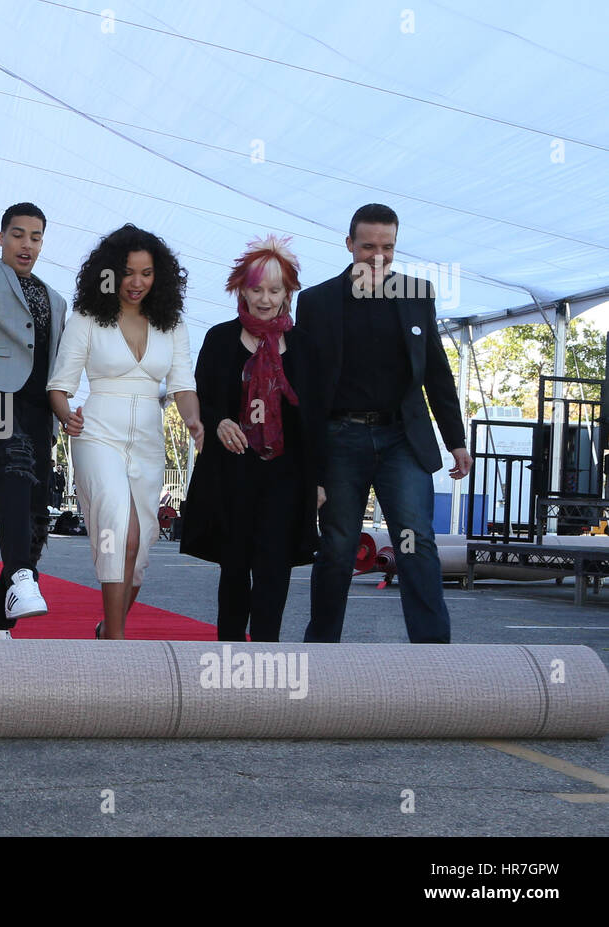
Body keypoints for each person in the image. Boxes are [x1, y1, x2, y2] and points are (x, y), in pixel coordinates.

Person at [297, 204, 471, 643]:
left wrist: (456, 439)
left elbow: (436, 370)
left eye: (388, 247)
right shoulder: (316, 302)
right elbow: (307, 387)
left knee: (416, 542)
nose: (378, 256)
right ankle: (321, 648)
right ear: (349, 243)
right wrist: (308, 462)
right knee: (337, 547)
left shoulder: (417, 294)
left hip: (402, 440)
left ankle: (433, 651)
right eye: (369, 246)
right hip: (339, 439)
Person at [48, 225, 204, 639]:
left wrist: (193, 421)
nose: (137, 283)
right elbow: (59, 386)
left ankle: (107, 628)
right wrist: (67, 417)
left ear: (160, 276)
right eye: (128, 272)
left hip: (149, 441)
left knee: (139, 550)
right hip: (97, 433)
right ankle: (116, 643)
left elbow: (183, 385)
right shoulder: (86, 319)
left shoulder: (172, 325)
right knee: (120, 526)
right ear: (109, 273)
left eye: (147, 273)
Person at [181, 236, 322, 642]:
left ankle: (266, 654)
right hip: (233, 474)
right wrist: (220, 420)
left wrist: (319, 481)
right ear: (241, 289)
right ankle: (227, 649)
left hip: (287, 475)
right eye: (256, 289)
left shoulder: (305, 347)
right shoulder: (220, 339)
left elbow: (315, 418)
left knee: (274, 569)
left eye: (274, 290)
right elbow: (202, 398)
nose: (264, 298)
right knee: (235, 565)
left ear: (287, 292)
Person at [0, 202, 67, 640]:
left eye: (35, 237)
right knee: (13, 455)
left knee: (37, 519)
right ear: (1, 237)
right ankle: (23, 578)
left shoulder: (56, 300)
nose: (26, 244)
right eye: (18, 234)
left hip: (39, 409)